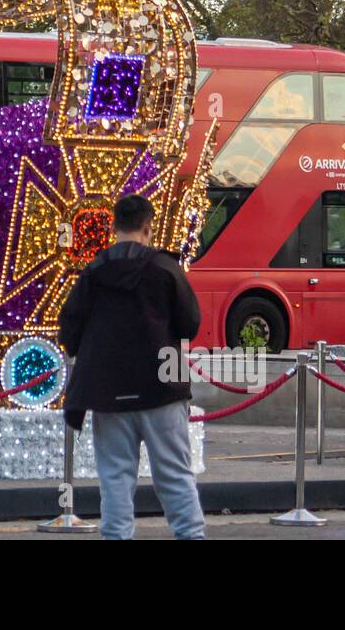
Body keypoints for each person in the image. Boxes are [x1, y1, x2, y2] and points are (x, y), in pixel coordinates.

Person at [59, 194, 205, 540]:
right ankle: (191, 535)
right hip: (162, 386)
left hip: (108, 391)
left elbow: (70, 326)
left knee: (115, 478)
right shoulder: (166, 268)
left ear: (114, 227)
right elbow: (190, 324)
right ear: (148, 227)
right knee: (174, 475)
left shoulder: (94, 270)